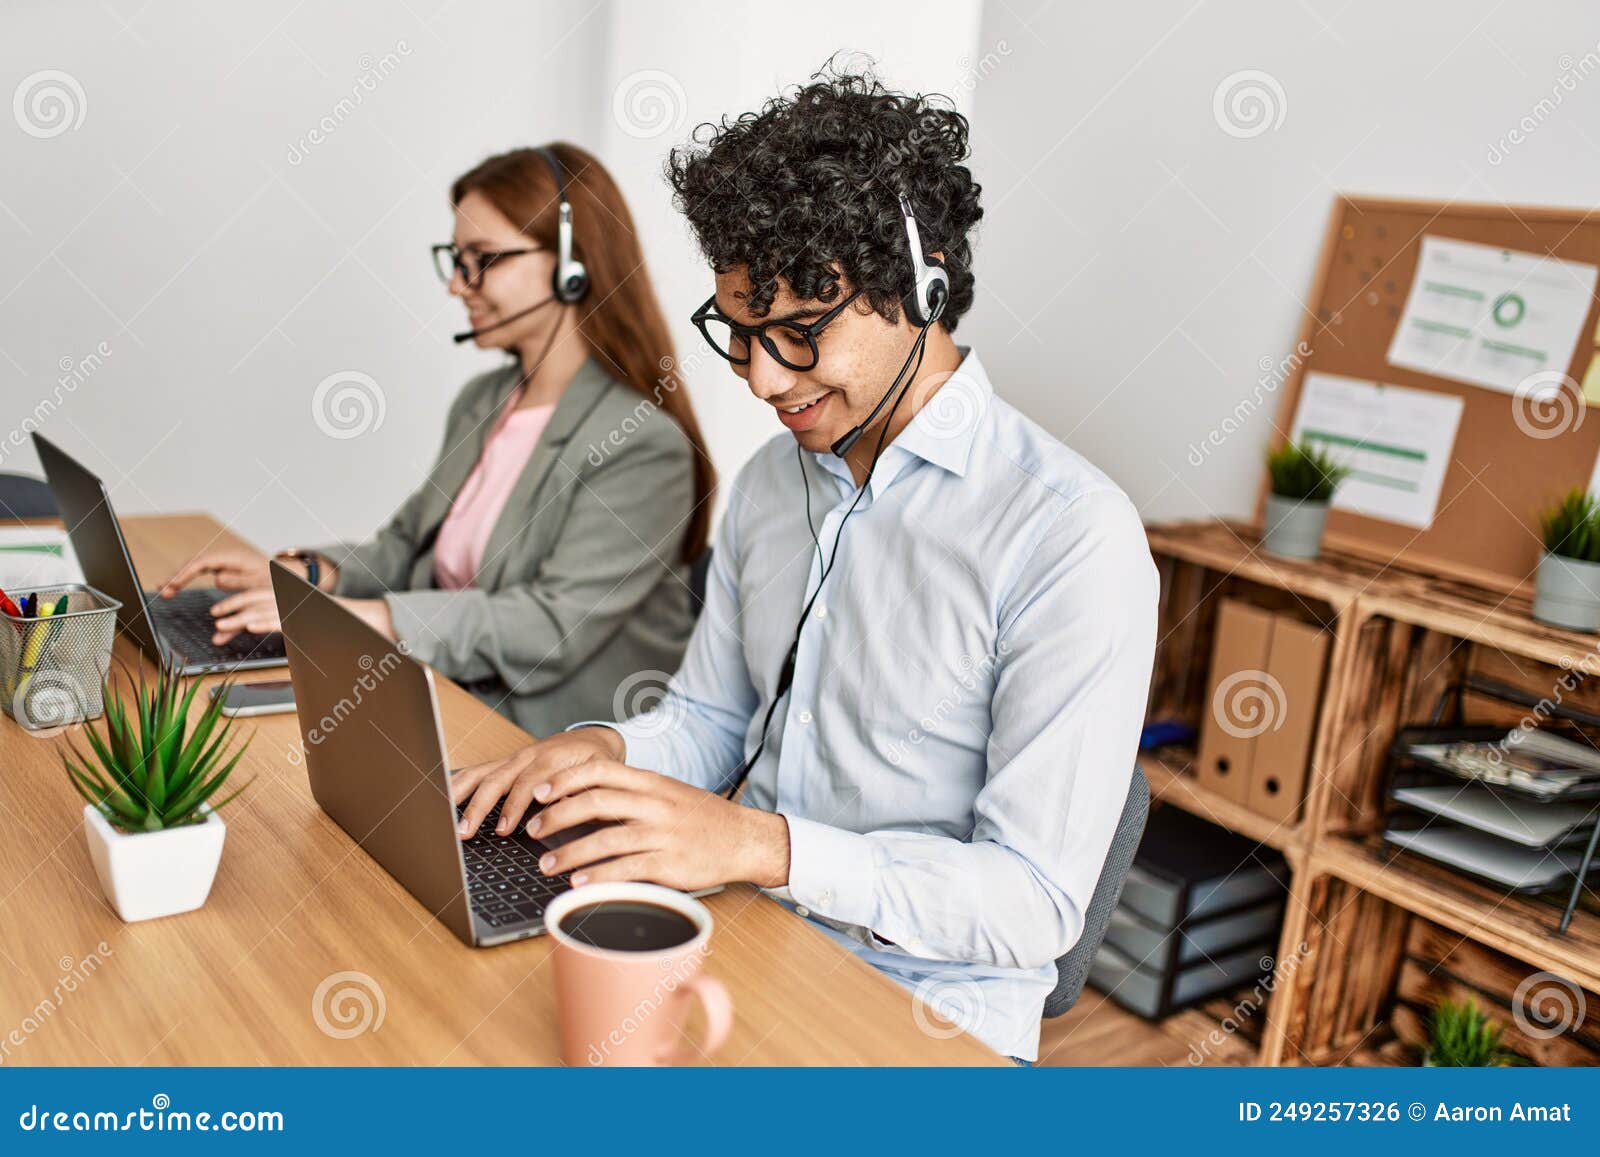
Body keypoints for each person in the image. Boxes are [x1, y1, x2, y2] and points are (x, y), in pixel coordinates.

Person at [450, 69, 1158, 1063]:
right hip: (747, 937)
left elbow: (1032, 902)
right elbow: (709, 719)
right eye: (740, 333)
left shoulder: (1068, 533)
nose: (763, 380)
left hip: (922, 1015)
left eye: (798, 333)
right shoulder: (772, 486)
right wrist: (607, 753)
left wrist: (760, 845)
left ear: (926, 287)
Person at [161, 144, 714, 736]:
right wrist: (305, 575)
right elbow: (404, 547)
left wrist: (364, 619)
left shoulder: (642, 446)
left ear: (571, 267)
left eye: (482, 259)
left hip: (539, 734)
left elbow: (550, 626)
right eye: (455, 258)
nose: (457, 285)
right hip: (446, 689)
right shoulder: (484, 402)